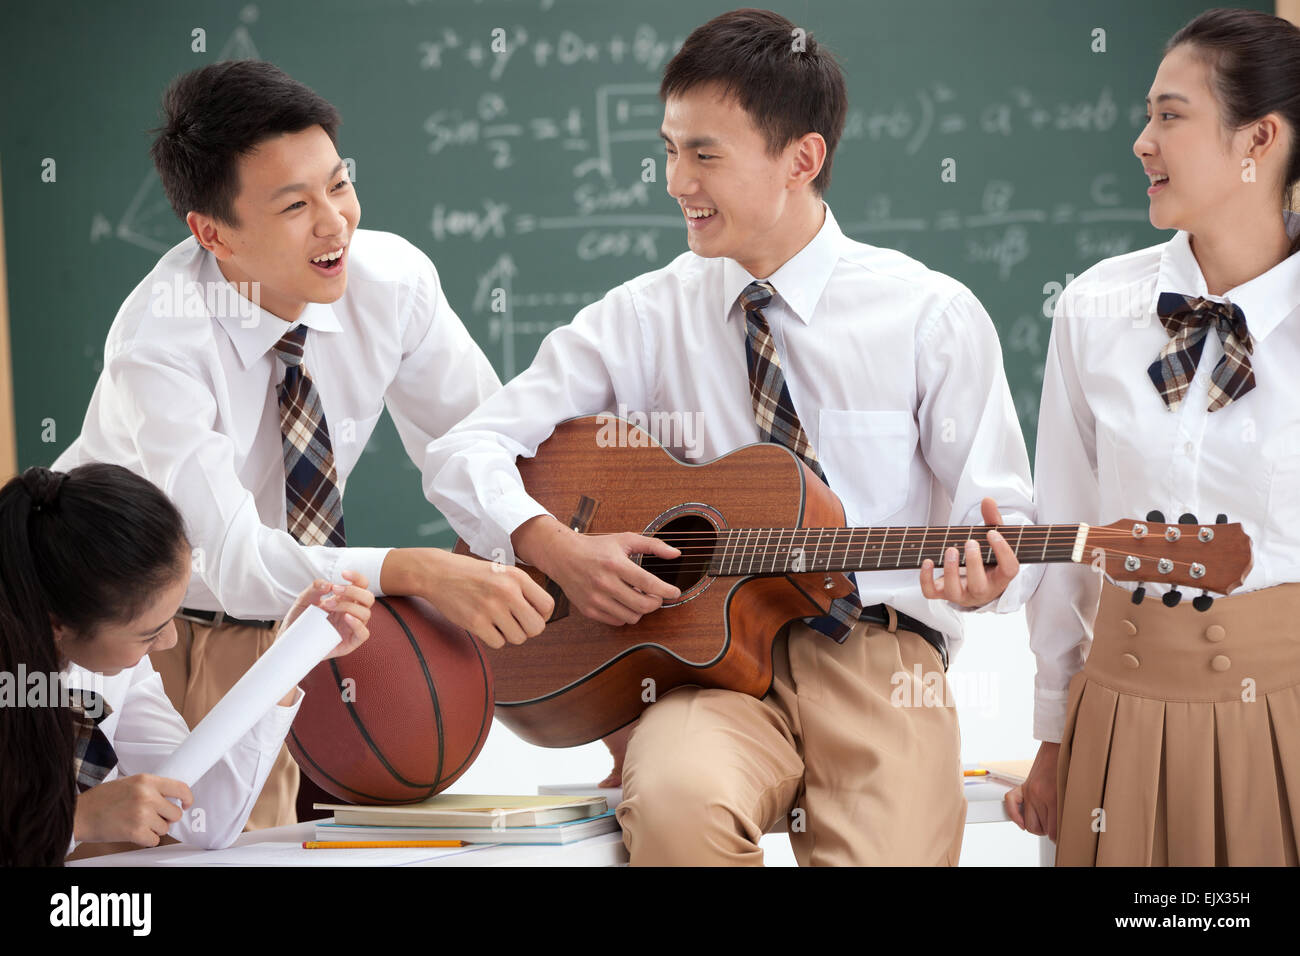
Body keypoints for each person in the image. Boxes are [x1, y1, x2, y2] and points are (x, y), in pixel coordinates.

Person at [424, 8, 1035, 866]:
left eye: (704, 153)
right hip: (697, 667)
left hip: (879, 657)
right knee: (674, 809)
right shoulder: (642, 315)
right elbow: (463, 451)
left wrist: (986, 586)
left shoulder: (929, 314)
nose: (676, 180)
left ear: (802, 160)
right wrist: (551, 545)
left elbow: (1005, 514)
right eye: (670, 149)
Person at [51, 60, 552, 828]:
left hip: (320, 620)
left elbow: (475, 446)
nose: (335, 223)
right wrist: (418, 571)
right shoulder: (161, 342)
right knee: (201, 842)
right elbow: (231, 562)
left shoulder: (394, 282)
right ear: (211, 233)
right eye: (295, 205)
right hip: (164, 634)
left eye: (339, 184)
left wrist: (543, 544)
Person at [1008, 7, 1300, 866]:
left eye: (1171, 115)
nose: (1141, 140)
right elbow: (1064, 535)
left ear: (1260, 138)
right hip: (1118, 717)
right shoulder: (1096, 307)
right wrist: (1054, 738)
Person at [0, 463, 374, 866]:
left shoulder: (113, 670)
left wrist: (290, 658)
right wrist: (79, 821)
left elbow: (205, 817)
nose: (170, 640)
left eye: (171, 618)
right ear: (59, 625)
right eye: (149, 632)